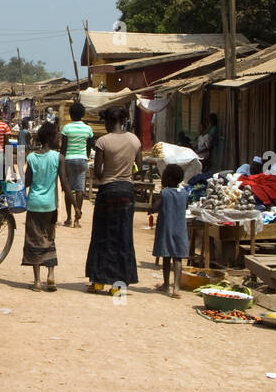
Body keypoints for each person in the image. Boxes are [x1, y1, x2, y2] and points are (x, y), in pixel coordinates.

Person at [85, 106, 141, 293]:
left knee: (102, 235)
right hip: (127, 191)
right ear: (124, 120)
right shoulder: (134, 140)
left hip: (107, 191)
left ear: (109, 122)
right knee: (123, 236)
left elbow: (99, 172)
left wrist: (97, 172)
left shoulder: (103, 141)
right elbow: (138, 169)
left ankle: (98, 280)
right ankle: (119, 284)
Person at [21, 119, 60, 291]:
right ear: (51, 138)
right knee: (49, 238)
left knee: (33, 241)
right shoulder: (58, 157)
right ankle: (50, 275)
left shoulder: (31, 158)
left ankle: (37, 281)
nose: (59, 138)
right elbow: (65, 183)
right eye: (57, 136)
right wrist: (76, 206)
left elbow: (27, 181)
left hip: (34, 204)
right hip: (50, 206)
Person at [151, 163, 190, 298]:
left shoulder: (164, 193)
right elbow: (185, 207)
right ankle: (176, 289)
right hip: (180, 230)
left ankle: (166, 284)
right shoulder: (184, 193)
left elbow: (154, 207)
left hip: (166, 230)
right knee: (177, 259)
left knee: (166, 257)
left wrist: (152, 208)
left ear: (168, 179)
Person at [59, 102, 94, 228]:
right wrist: (85, 156)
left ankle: (68, 218)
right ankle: (77, 220)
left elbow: (63, 148)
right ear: (83, 114)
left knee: (68, 189)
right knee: (80, 189)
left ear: (70, 114)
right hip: (82, 159)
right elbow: (89, 147)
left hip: (68, 160)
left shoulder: (67, 128)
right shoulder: (88, 129)